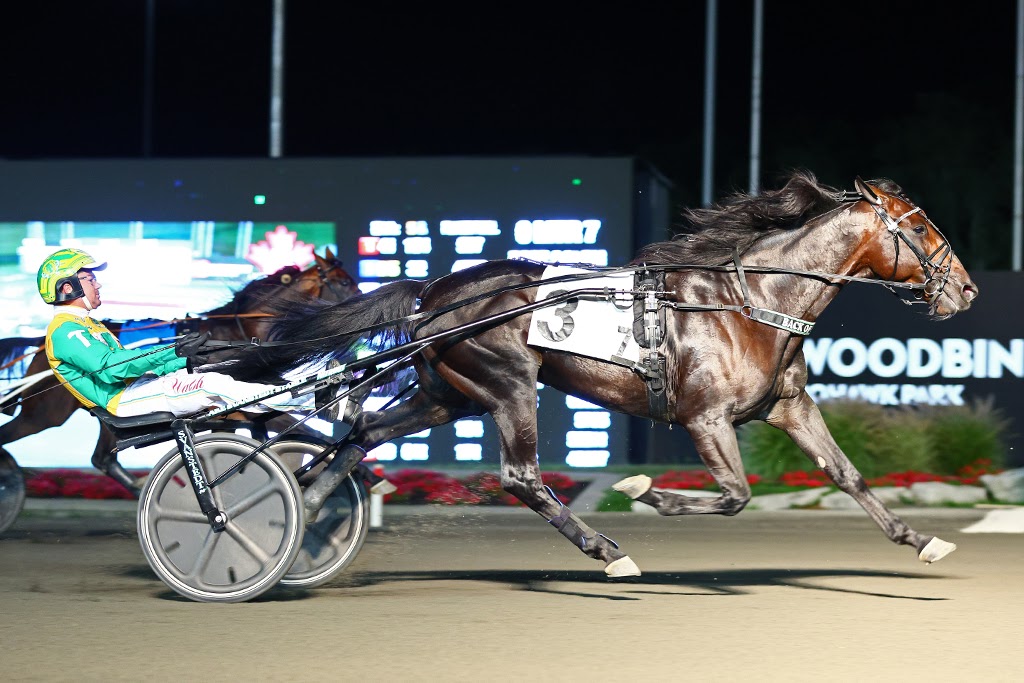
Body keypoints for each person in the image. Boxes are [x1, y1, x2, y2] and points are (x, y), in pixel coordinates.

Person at [37, 247, 355, 422]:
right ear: (67, 288)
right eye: (90, 279)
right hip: (124, 401)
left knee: (216, 371)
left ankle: (312, 394)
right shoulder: (66, 331)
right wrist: (175, 352)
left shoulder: (86, 324)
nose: (98, 284)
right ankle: (314, 401)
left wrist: (186, 358)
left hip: (139, 387)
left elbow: (134, 366)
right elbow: (114, 368)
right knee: (211, 384)